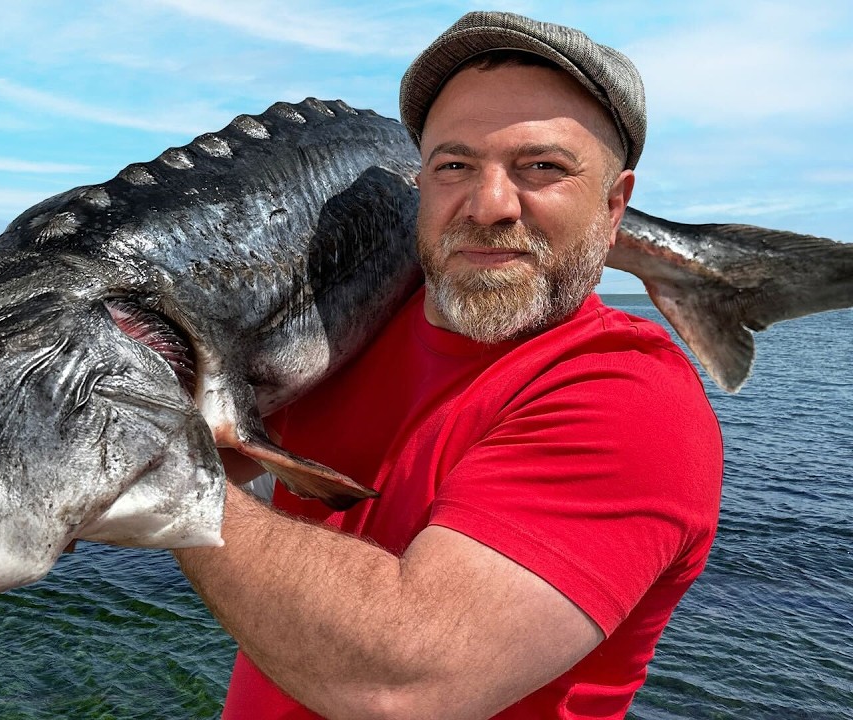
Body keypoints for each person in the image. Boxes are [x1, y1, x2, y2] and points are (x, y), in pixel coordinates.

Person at [174, 11, 723, 720]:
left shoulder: (633, 399)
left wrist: (158, 470)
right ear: (420, 185)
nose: (489, 205)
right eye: (455, 165)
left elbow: (404, 685)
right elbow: (232, 453)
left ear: (615, 204)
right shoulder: (351, 330)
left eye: (543, 168)